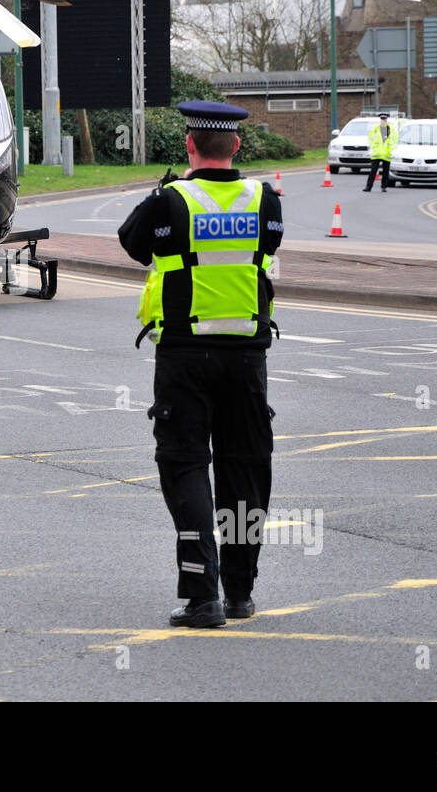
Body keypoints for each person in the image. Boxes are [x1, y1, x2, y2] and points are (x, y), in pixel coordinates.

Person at [118, 100, 283, 628]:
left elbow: (131, 244)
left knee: (186, 468)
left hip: (185, 355)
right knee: (246, 473)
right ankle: (240, 592)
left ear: (190, 145)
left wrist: (162, 193)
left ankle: (201, 596)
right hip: (247, 356)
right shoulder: (266, 199)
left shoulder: (170, 200)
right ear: (235, 145)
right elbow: (267, 246)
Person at [364, 113, 396, 192]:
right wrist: (373, 147)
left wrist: (392, 148)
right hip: (377, 154)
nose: (383, 120)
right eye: (382, 119)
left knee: (385, 171)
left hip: (386, 153)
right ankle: (368, 187)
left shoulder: (391, 129)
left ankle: (384, 187)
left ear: (387, 119)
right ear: (380, 120)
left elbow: (395, 139)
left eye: (384, 119)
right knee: (373, 171)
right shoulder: (376, 128)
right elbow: (370, 138)